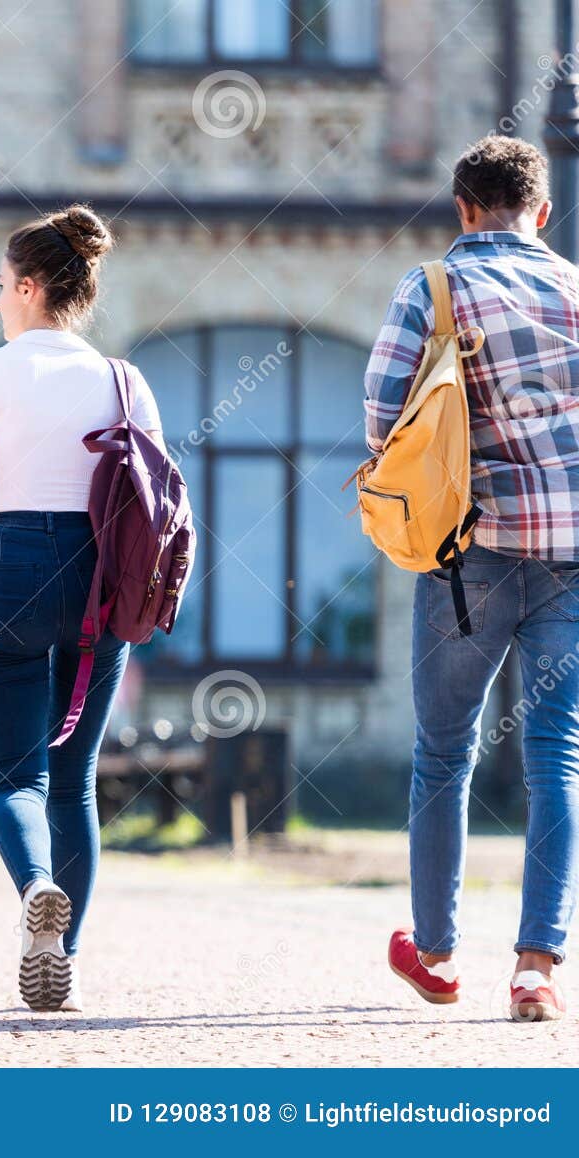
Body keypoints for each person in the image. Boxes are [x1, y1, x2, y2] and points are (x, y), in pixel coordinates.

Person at [368, 135, 579, 1023]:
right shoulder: (576, 292)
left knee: (443, 753)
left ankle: (439, 951)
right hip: (571, 555)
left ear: (462, 209)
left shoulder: (434, 288)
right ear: (542, 211)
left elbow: (384, 416)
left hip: (469, 557)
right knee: (556, 754)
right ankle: (537, 965)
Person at [0, 204, 161, 1013]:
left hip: (8, 566)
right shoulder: (122, 379)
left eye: (4, 286)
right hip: (100, 579)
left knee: (15, 775)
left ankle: (35, 885)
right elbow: (153, 501)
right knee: (73, 781)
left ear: (32, 288)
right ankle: (61, 954)